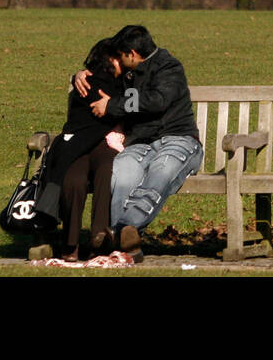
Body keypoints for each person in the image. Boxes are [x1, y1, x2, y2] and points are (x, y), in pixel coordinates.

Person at [73, 25, 202, 263]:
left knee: (160, 173)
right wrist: (81, 75)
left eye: (121, 56)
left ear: (132, 54)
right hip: (141, 143)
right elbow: (101, 73)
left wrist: (112, 106)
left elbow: (157, 101)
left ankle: (122, 229)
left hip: (179, 139)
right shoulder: (127, 73)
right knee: (120, 175)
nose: (118, 63)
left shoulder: (170, 68)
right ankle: (127, 247)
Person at [34, 38, 126, 260]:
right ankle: (70, 242)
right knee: (74, 178)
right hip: (78, 143)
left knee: (107, 172)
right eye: (118, 57)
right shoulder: (86, 81)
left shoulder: (129, 81)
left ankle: (100, 238)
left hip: (106, 142)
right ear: (111, 59)